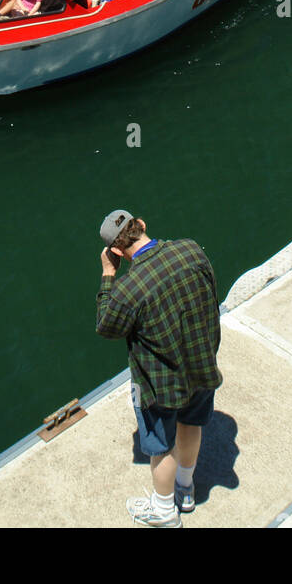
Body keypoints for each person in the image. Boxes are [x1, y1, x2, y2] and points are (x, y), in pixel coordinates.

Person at [97, 210, 222, 527]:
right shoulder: (190, 249)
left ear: (116, 251)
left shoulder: (128, 289)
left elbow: (107, 326)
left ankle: (165, 511)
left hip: (158, 383)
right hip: (201, 365)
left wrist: (108, 274)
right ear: (141, 225)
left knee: (160, 446)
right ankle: (186, 489)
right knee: (191, 424)